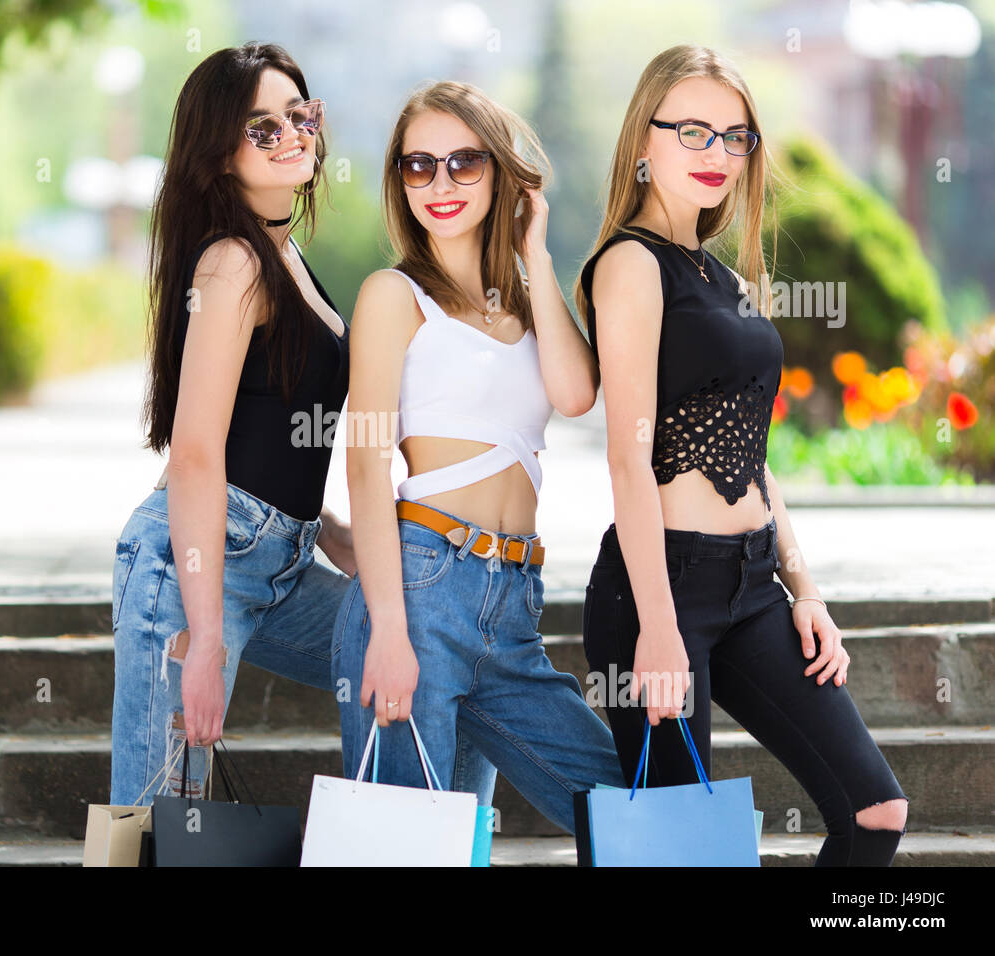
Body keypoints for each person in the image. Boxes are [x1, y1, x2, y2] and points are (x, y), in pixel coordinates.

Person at [577, 44, 908, 865]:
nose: (718, 154)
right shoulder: (629, 264)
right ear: (643, 142)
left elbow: (754, 458)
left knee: (877, 812)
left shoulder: (721, 277)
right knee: (681, 850)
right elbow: (628, 456)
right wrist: (657, 625)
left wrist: (806, 591)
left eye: (735, 137)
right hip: (663, 589)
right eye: (693, 131)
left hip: (755, 587)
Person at [334, 80, 626, 833]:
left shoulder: (529, 302)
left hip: (513, 601)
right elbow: (366, 467)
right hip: (422, 586)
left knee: (627, 815)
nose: (441, 183)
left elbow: (574, 393)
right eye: (418, 166)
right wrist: (389, 632)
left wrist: (534, 250)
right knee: (412, 848)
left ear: (500, 171)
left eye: (465, 162)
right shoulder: (393, 295)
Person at [110, 43, 356, 803]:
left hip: (283, 563)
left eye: (299, 114)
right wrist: (206, 639)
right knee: (160, 815)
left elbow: (277, 448)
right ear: (218, 155)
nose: (291, 134)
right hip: (191, 567)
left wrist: (368, 554)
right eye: (261, 128)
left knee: (426, 648)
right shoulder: (233, 263)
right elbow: (195, 454)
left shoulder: (289, 259)